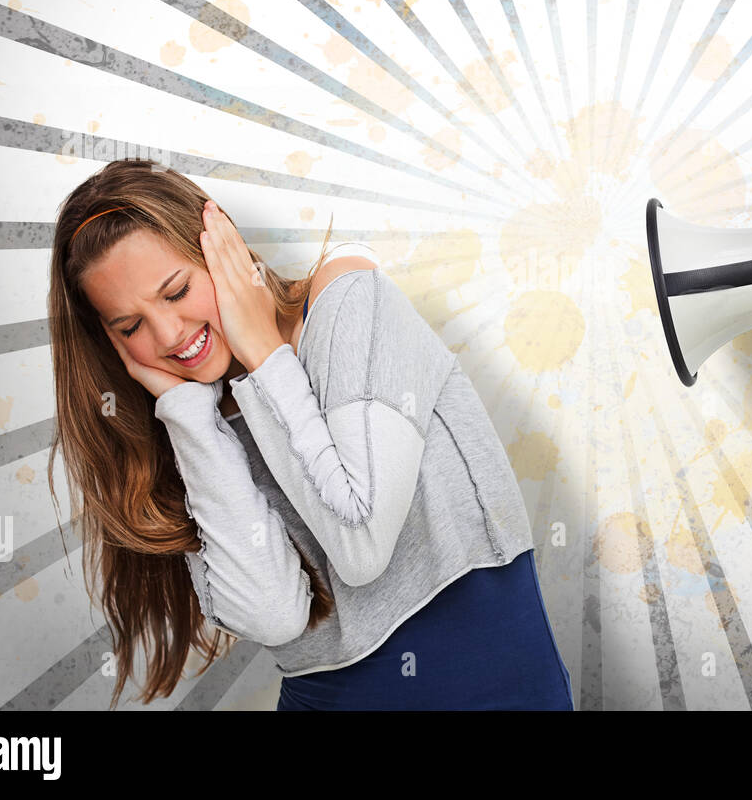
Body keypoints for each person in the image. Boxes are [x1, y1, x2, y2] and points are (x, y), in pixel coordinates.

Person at [47, 158, 573, 710]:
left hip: (498, 687)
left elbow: (361, 540)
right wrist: (188, 418)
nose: (169, 334)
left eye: (176, 292)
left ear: (219, 251)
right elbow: (274, 615)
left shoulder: (345, 304)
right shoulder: (183, 421)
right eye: (129, 326)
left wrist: (264, 356)